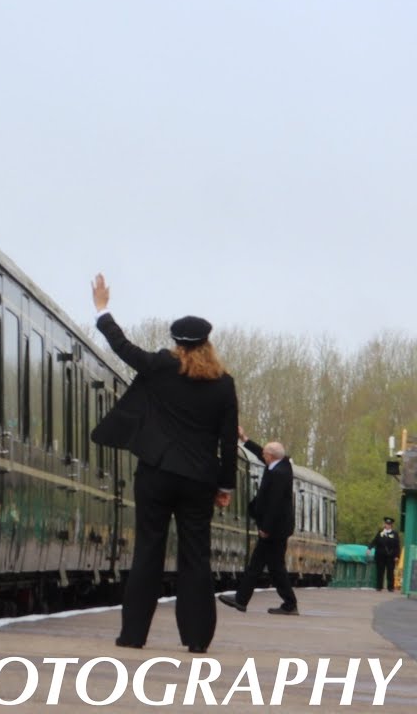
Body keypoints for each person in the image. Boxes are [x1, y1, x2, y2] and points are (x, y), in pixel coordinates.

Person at [90, 273, 237, 655]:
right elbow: (227, 440)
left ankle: (133, 635)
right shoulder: (224, 384)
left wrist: (103, 309)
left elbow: (122, 347)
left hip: (155, 473)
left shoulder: (159, 367)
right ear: (207, 342)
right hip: (198, 481)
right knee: (196, 557)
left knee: (148, 552)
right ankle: (197, 638)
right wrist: (224, 486)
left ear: (176, 343)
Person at [219, 428, 298, 615]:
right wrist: (244, 439)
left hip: (274, 529)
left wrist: (266, 528)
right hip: (276, 529)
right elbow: (260, 452)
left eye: (265, 454)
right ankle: (243, 600)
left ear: (271, 456)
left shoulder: (279, 474)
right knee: (266, 566)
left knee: (268, 567)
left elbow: (275, 504)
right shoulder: (279, 465)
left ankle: (287, 603)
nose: (262, 455)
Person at [370, 516, 402, 592]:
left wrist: (397, 556)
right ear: (384, 524)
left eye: (389, 524)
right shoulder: (380, 532)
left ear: (391, 525)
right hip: (380, 555)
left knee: (390, 572)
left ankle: (390, 587)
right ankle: (379, 586)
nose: (387, 525)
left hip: (390, 556)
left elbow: (397, 545)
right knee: (380, 571)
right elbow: (375, 541)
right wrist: (369, 547)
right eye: (386, 524)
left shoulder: (394, 534)